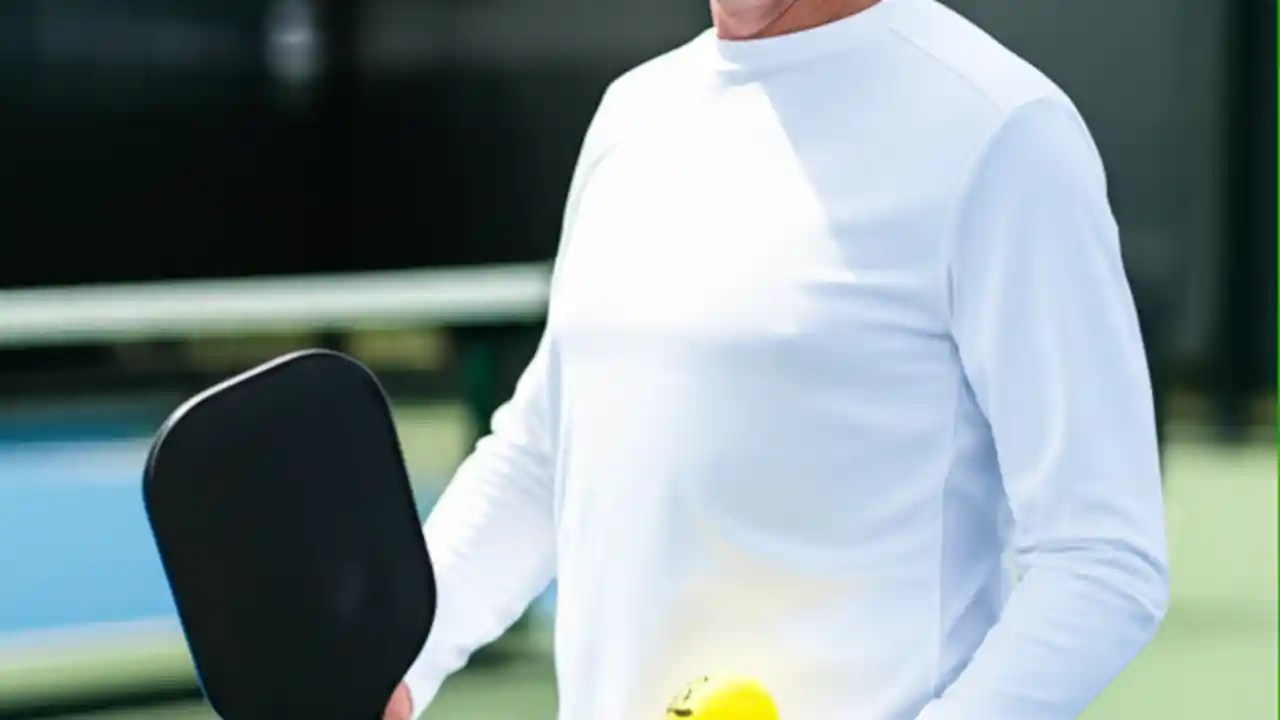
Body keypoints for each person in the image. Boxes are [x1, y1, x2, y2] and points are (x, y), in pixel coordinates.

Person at [384, 0, 1169, 717]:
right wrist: (396, 660)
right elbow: (542, 459)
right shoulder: (633, 114)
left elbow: (1101, 558)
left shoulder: (1004, 131)